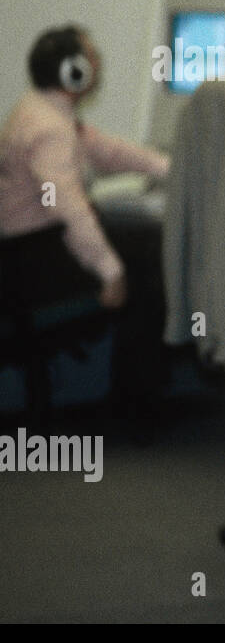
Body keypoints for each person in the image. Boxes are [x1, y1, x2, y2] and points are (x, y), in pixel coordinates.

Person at [0, 25, 171, 409]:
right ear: (72, 70)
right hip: (33, 259)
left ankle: (140, 389)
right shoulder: (48, 127)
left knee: (142, 239)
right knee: (150, 256)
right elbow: (66, 207)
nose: (98, 65)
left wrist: (169, 166)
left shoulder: (44, 111)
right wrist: (111, 272)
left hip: (32, 249)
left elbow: (108, 151)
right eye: (92, 58)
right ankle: (138, 397)